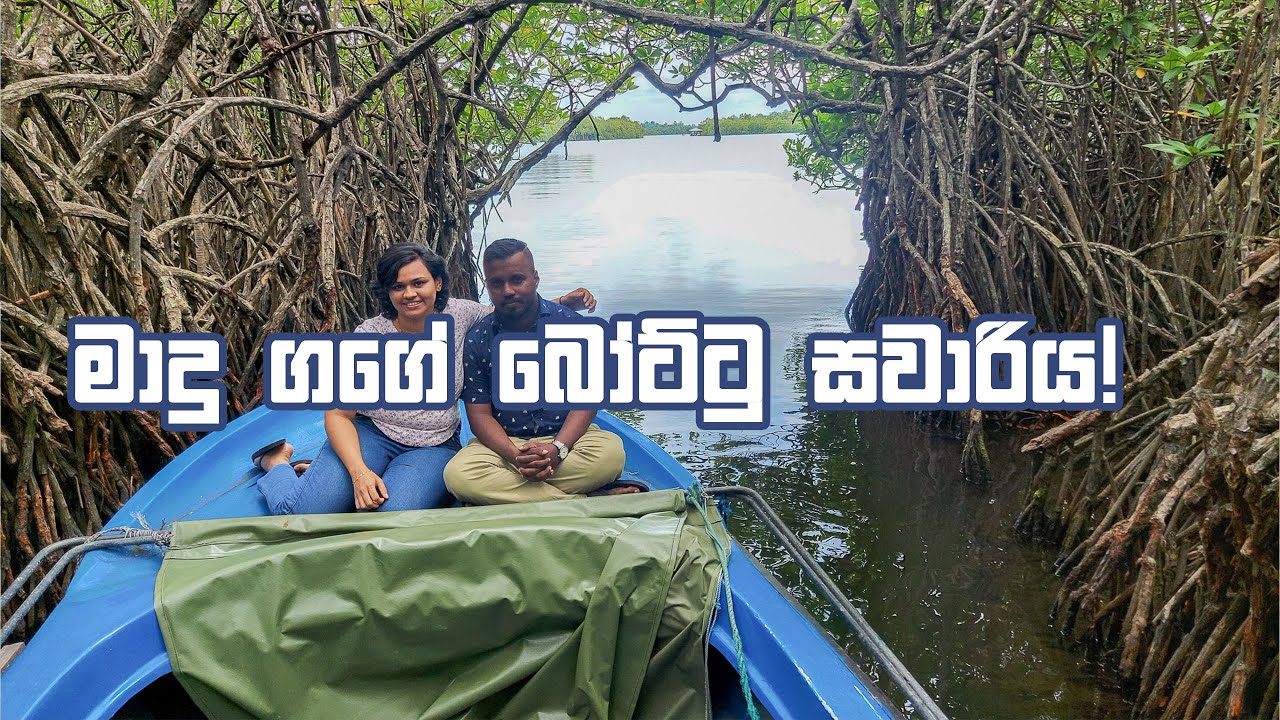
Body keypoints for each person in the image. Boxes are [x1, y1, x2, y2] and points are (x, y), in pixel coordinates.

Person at [253, 242, 597, 514]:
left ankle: (322, 472)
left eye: (418, 282)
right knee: (303, 511)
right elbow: (339, 415)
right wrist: (358, 472)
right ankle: (278, 463)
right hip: (371, 435)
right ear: (387, 292)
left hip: (433, 445)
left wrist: (564, 301)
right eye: (398, 286)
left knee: (394, 516)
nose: (410, 294)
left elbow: (511, 308)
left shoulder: (462, 316)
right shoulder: (370, 335)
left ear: (438, 282)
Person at [443, 238, 636, 505]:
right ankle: (585, 499)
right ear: (488, 286)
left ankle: (518, 494)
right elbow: (479, 416)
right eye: (497, 283)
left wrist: (557, 449)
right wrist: (515, 456)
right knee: (458, 475)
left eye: (517, 279)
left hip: (567, 438)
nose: (508, 290)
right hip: (506, 443)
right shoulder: (478, 338)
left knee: (611, 455)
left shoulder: (572, 327)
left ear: (535, 279)